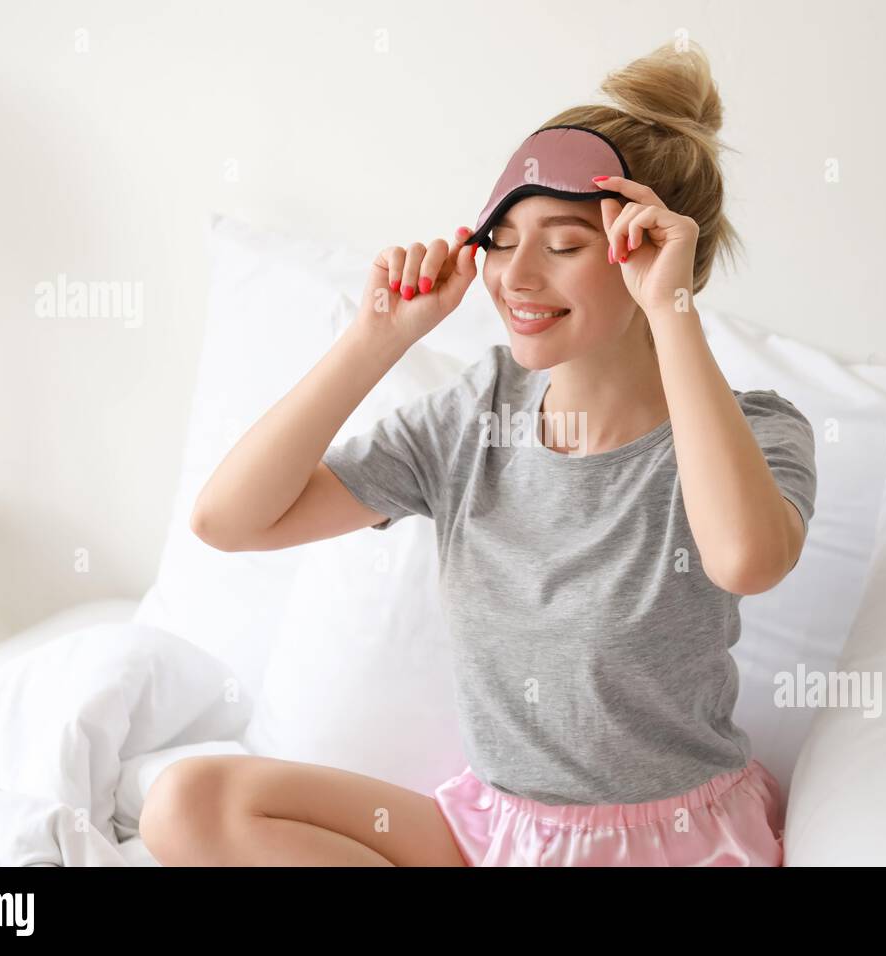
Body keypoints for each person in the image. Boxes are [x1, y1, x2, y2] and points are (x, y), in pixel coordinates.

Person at [140, 40, 816, 867]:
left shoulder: (755, 430)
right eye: (501, 239)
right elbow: (228, 521)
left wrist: (671, 310)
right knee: (188, 803)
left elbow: (746, 558)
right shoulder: (477, 415)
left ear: (651, 256)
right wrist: (374, 340)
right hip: (501, 836)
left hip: (670, 846)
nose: (517, 275)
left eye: (564, 245)